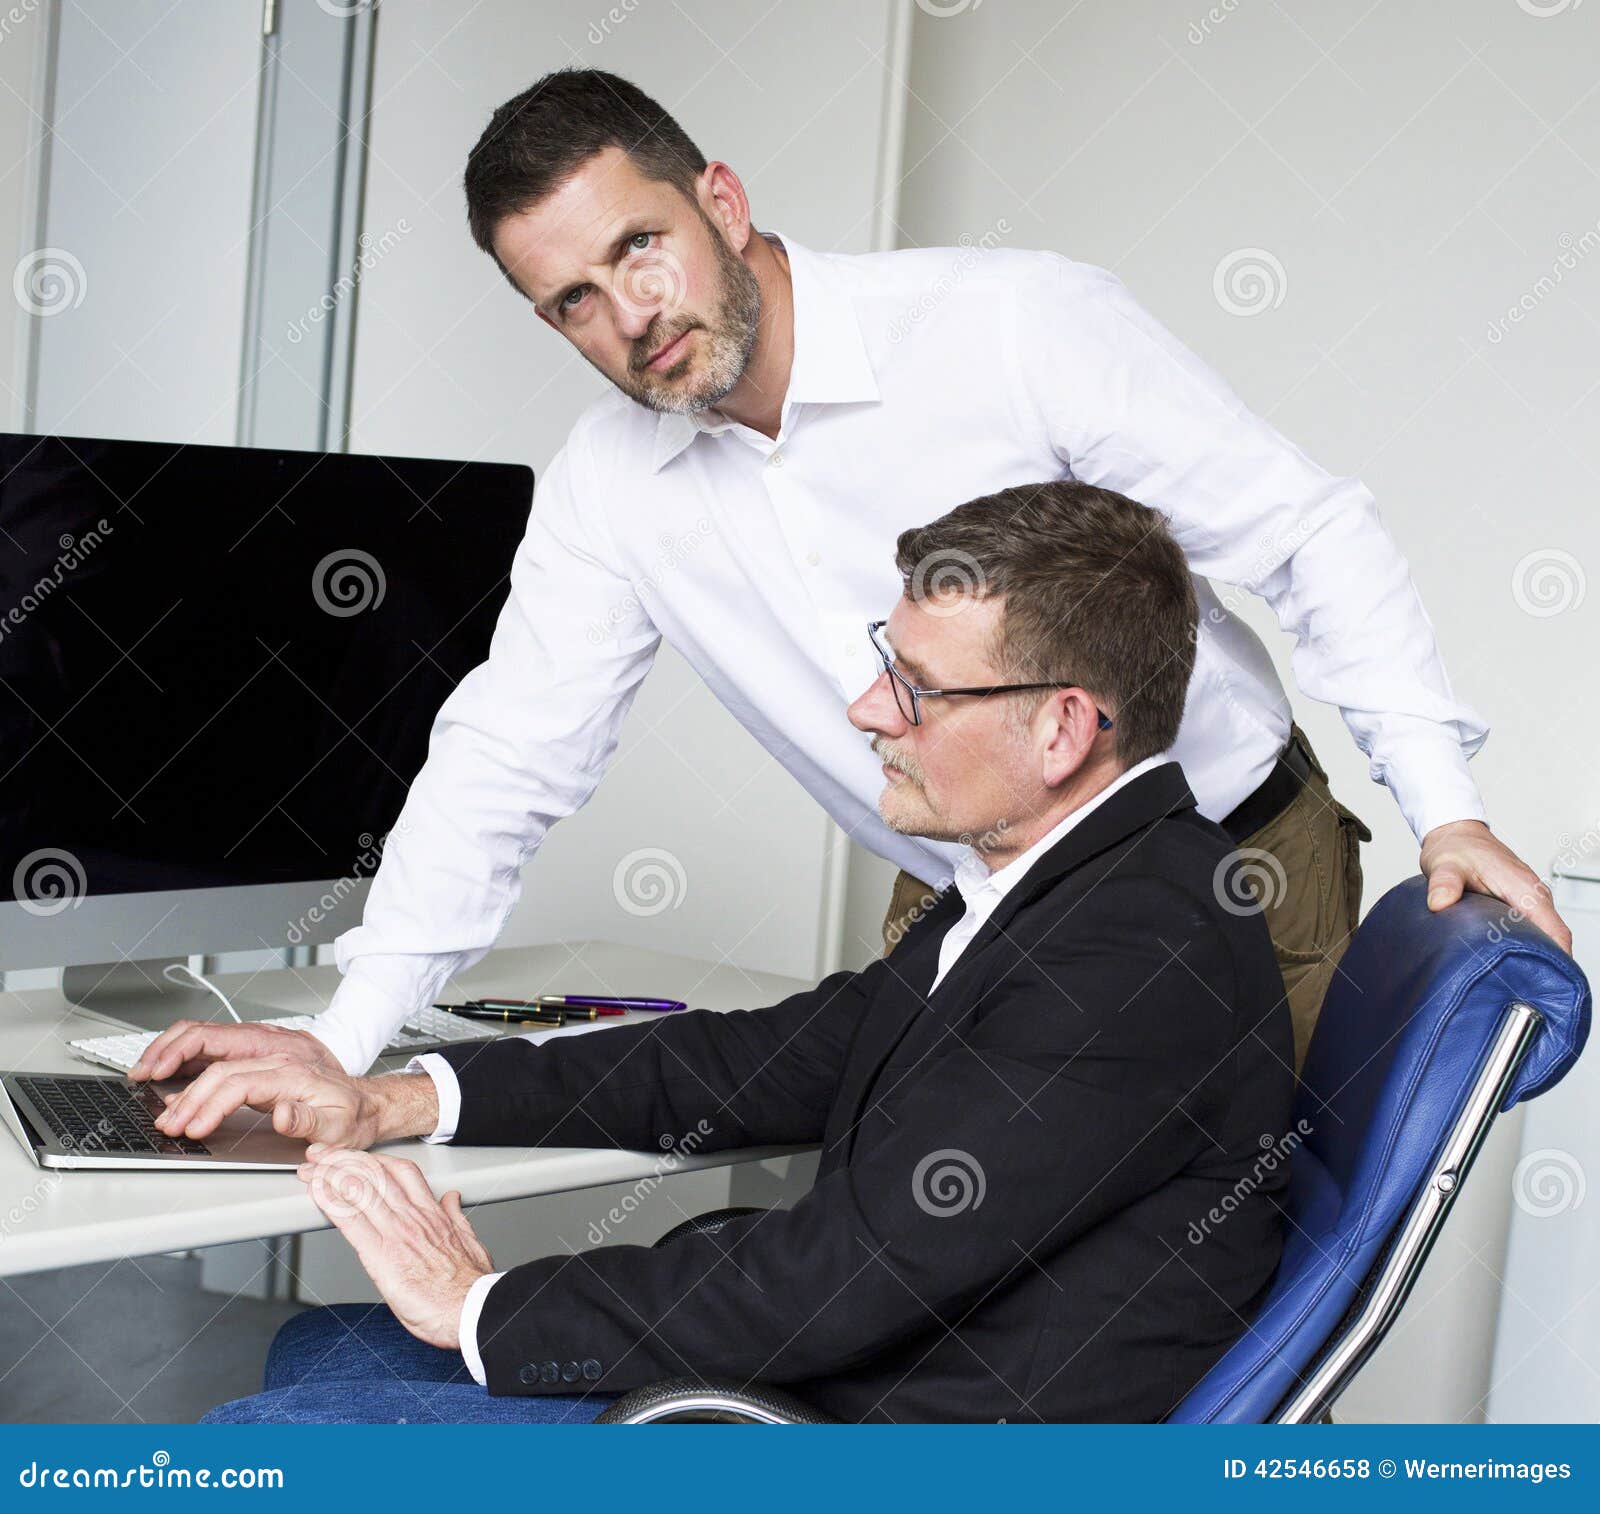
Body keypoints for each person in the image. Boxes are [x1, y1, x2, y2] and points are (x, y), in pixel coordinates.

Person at [132, 67, 1566, 1097]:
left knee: (1215, 1300)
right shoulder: (606, 487)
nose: (630, 316)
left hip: (1235, 873)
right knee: (934, 1289)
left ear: (720, 199)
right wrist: (350, 1031)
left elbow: (1306, 534)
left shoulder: (1010, 324)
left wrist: (1445, 805)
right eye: (572, 300)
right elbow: (508, 757)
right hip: (966, 898)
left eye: (640, 248)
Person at [198, 481, 1293, 1424]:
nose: (867, 709)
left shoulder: (1136, 947)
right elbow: (763, 1060)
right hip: (857, 1369)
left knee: (253, 1437)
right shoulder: (1069, 882)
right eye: (886, 664)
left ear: (1061, 728)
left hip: (884, 1426)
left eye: (918, 687)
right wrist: (397, 1099)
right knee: (319, 1353)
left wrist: (476, 1305)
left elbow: (849, 1274)